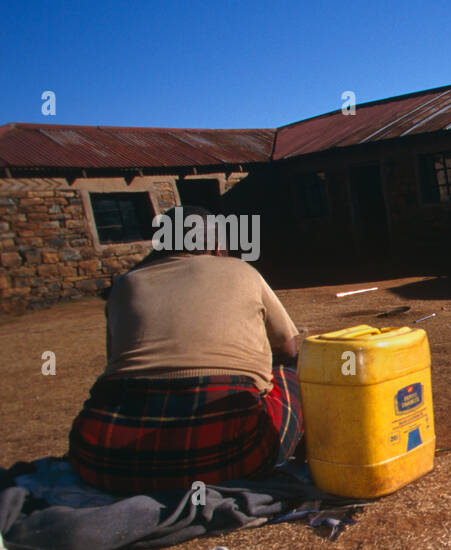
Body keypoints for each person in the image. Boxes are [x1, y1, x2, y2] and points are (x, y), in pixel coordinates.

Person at [68, 205, 304, 494]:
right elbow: (289, 350)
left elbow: (114, 364)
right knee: (289, 373)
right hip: (233, 451)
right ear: (217, 246)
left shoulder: (126, 284)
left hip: (103, 458)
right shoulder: (241, 271)